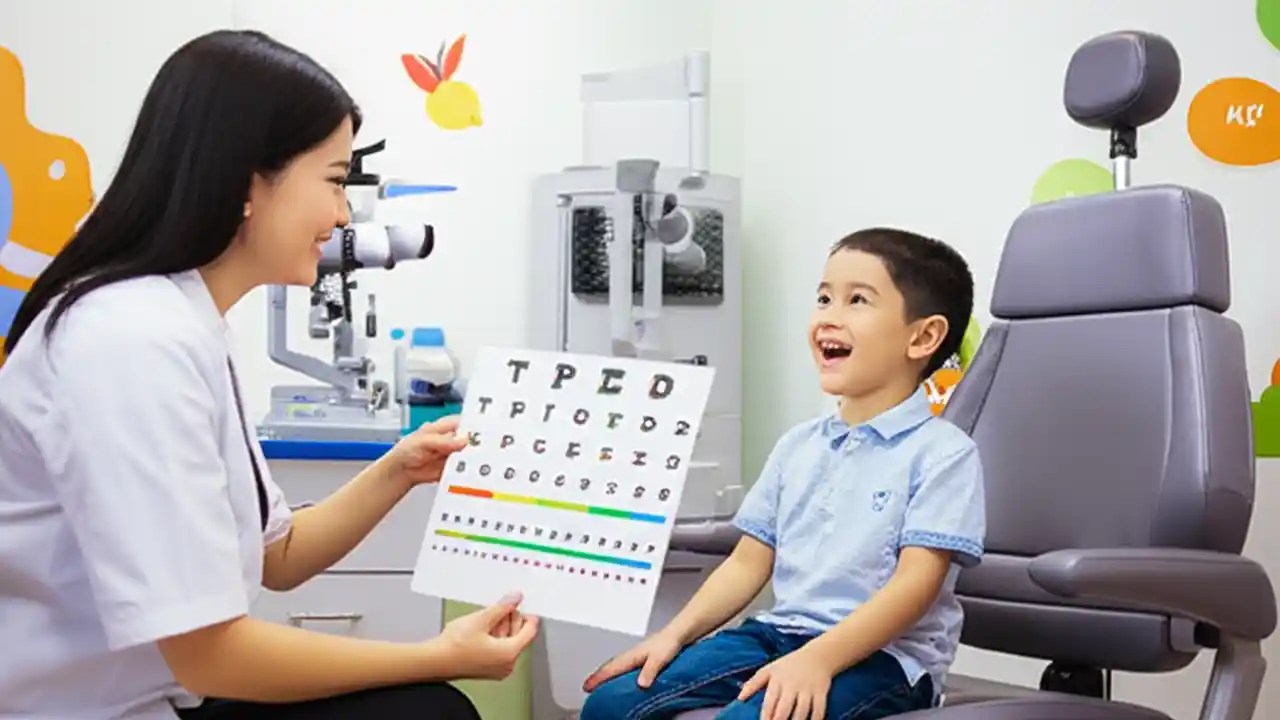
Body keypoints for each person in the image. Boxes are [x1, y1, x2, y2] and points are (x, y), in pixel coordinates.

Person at [0, 30, 536, 720]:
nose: (343, 215)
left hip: (155, 690)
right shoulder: (129, 341)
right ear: (249, 180)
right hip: (93, 707)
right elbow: (210, 655)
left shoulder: (180, 320)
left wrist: (401, 468)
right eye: (336, 182)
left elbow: (277, 555)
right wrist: (441, 652)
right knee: (431, 711)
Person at [579, 228, 985, 720]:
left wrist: (817, 659)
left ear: (923, 336)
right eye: (823, 297)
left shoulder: (944, 453)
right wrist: (673, 637)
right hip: (777, 634)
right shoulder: (798, 446)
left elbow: (914, 589)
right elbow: (747, 564)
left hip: (886, 662)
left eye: (857, 300)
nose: (829, 317)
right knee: (611, 704)